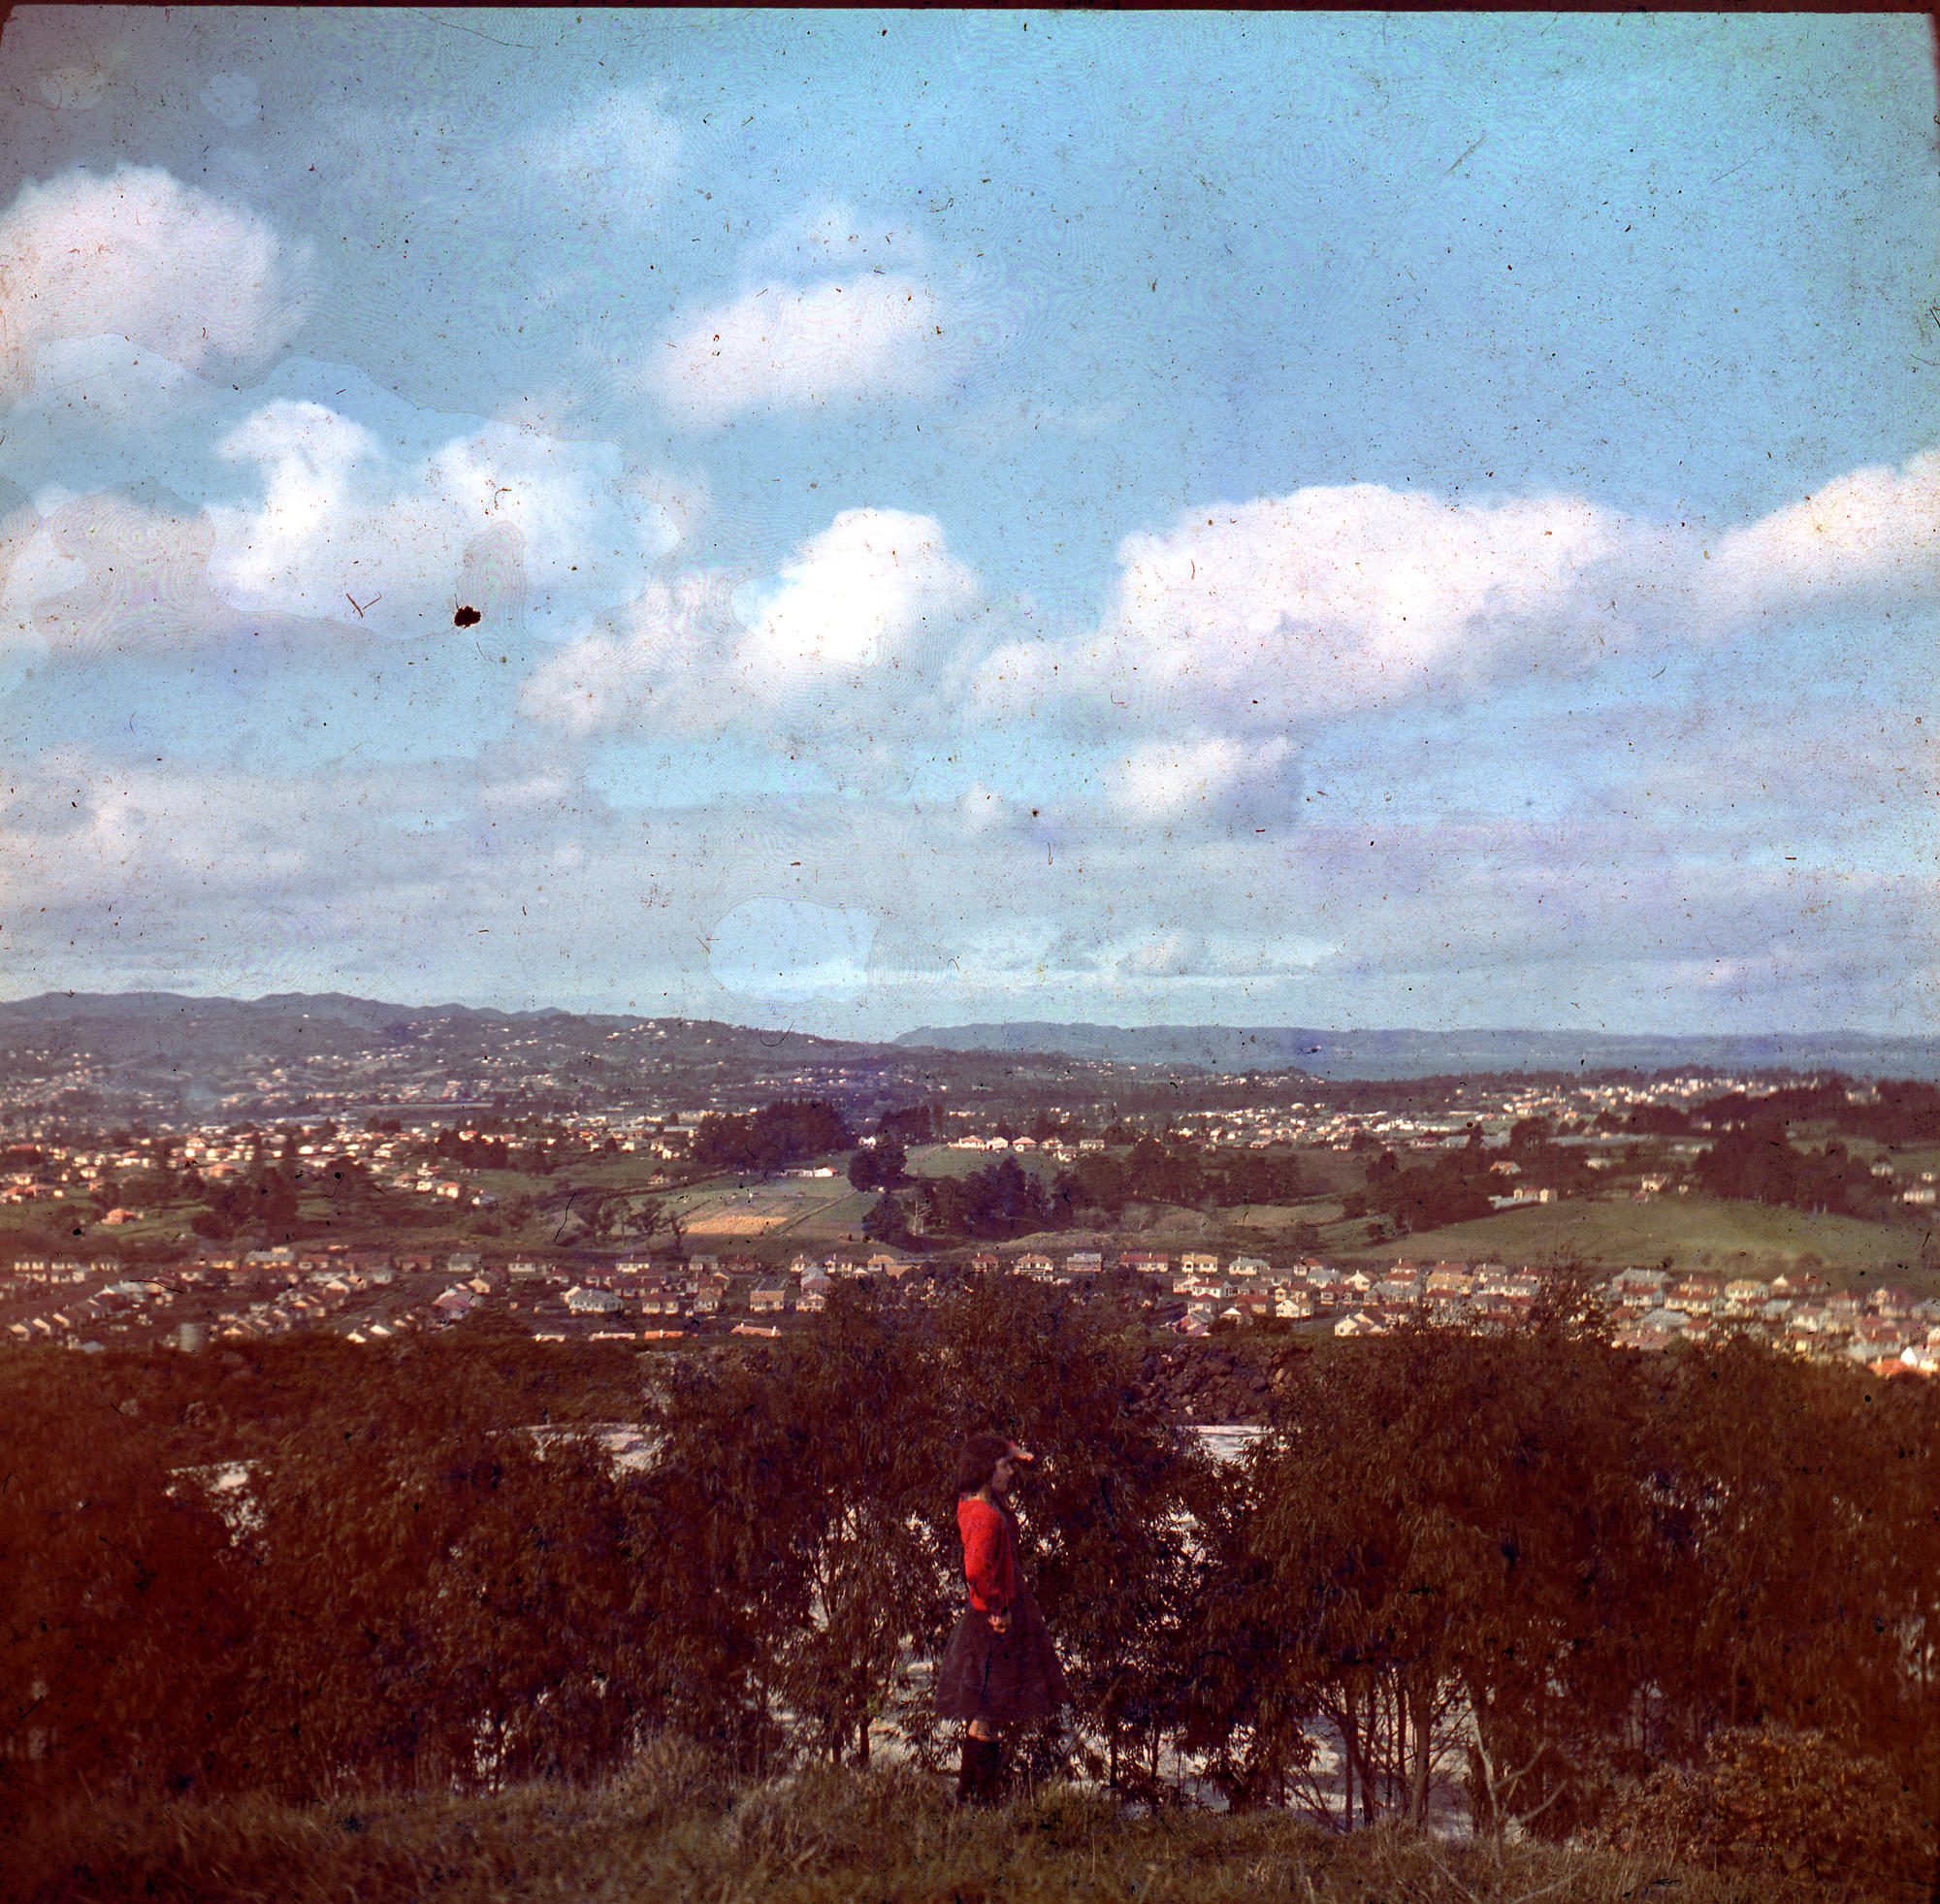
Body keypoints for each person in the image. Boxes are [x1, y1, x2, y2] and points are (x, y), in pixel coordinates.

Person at [935, 1431, 1069, 1804]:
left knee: (985, 1710)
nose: (1011, 1472)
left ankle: (972, 1796)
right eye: (1005, 1466)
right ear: (986, 1471)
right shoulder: (985, 1516)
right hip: (993, 1620)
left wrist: (1013, 1451)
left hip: (989, 1615)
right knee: (988, 1710)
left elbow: (987, 1454)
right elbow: (976, 1571)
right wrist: (999, 1609)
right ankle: (979, 1797)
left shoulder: (973, 1502)